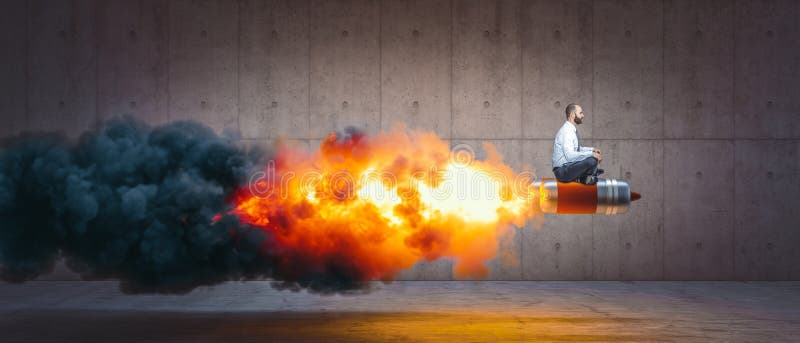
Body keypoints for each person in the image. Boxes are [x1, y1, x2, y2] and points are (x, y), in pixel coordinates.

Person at [552, 103, 604, 185]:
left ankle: (587, 176)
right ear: (573, 115)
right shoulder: (567, 131)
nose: (583, 115)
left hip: (567, 167)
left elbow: (577, 149)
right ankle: (588, 176)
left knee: (592, 157)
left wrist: (592, 150)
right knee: (592, 160)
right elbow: (570, 156)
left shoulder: (570, 129)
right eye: (580, 113)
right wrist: (591, 154)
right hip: (562, 171)